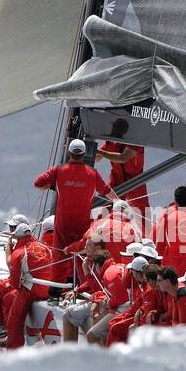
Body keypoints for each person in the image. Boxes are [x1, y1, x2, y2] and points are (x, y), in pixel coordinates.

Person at [34, 139, 119, 282]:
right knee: (82, 255)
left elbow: (37, 183)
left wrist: (53, 186)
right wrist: (119, 202)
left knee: (59, 256)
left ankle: (55, 291)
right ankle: (81, 286)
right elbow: (107, 191)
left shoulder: (58, 170)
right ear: (85, 154)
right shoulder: (93, 173)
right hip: (82, 224)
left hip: (63, 223)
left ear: (69, 153)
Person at [0, 223, 54, 349]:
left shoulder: (19, 252)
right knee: (8, 298)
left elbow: (15, 283)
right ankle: (3, 331)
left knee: (13, 321)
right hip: (50, 288)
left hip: (32, 289)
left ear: (16, 237)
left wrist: (9, 249)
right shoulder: (44, 247)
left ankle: (12, 350)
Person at [63, 246, 132, 345]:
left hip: (123, 309)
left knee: (91, 332)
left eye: (88, 246)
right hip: (125, 306)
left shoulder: (109, 273)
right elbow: (105, 292)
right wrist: (80, 290)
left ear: (97, 265)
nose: (86, 248)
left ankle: (98, 358)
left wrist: (102, 303)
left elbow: (121, 298)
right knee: (97, 316)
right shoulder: (118, 266)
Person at [97, 123, 149, 214]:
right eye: (114, 128)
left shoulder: (134, 142)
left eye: (116, 128)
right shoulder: (110, 142)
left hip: (135, 181)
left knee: (143, 213)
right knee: (106, 208)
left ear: (125, 131)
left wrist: (101, 152)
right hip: (116, 179)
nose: (113, 130)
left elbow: (123, 158)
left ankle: (146, 228)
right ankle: (101, 226)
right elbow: (97, 158)